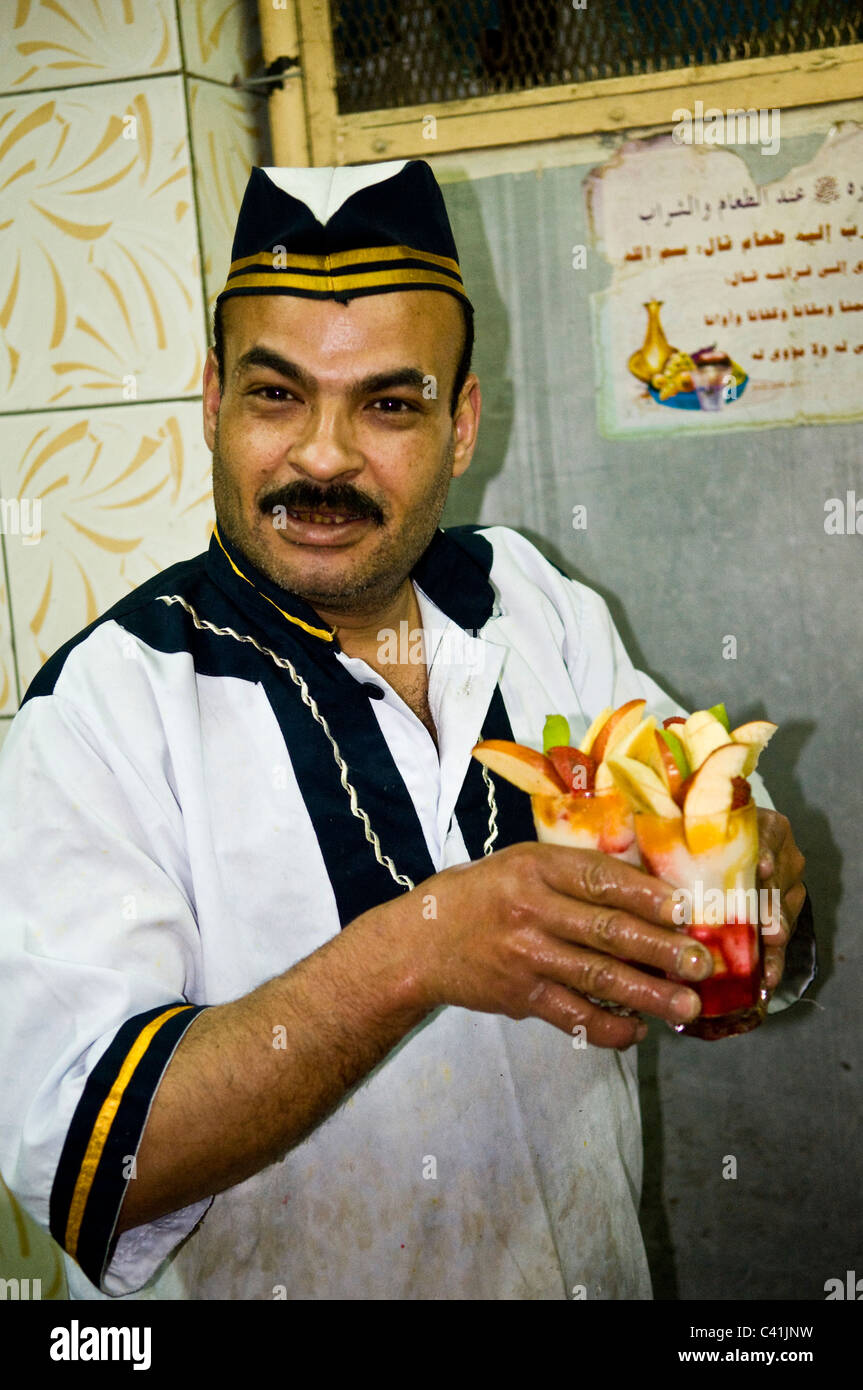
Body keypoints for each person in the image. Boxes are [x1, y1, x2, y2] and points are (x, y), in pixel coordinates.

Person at [0, 159, 810, 1301]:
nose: (323, 457)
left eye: (388, 403)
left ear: (463, 420)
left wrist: (757, 890)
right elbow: (88, 1164)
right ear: (211, 403)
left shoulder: (534, 601)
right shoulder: (102, 710)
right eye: (277, 395)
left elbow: (706, 825)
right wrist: (419, 947)